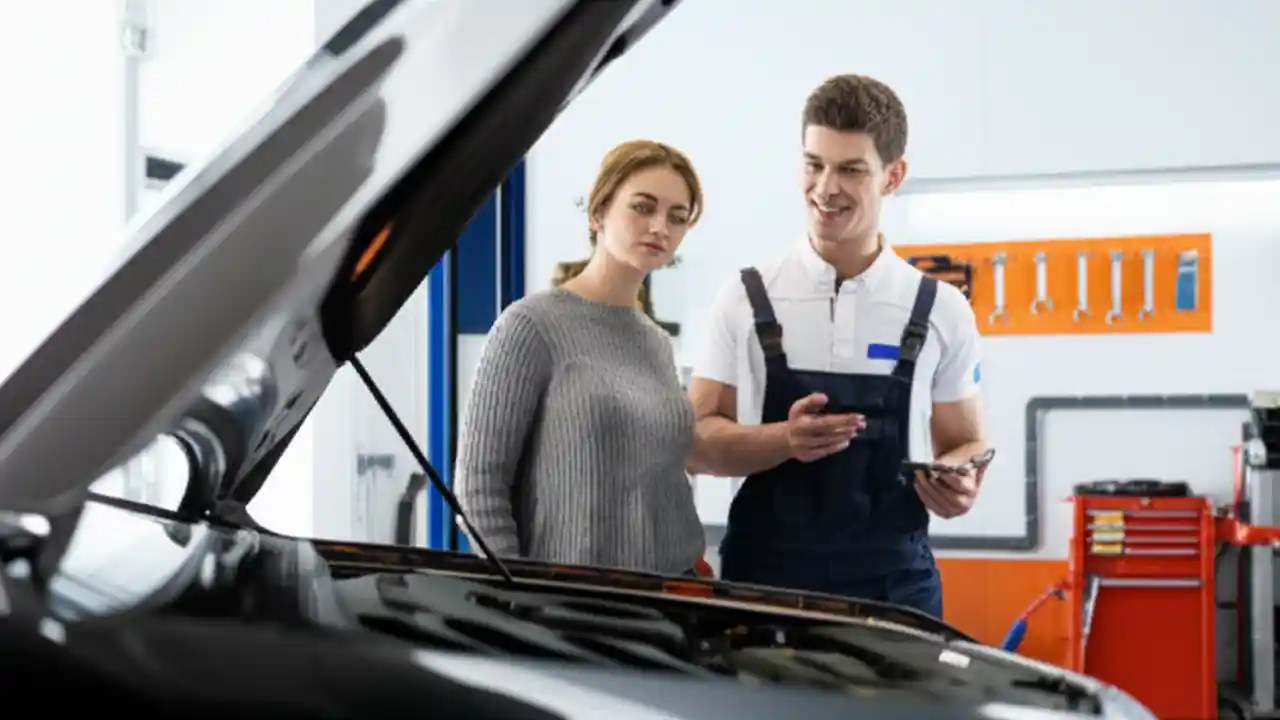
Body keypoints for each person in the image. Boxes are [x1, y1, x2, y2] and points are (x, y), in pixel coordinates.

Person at [685, 74, 988, 618]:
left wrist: (961, 482)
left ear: (893, 176)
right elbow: (696, 444)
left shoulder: (941, 310)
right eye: (813, 164)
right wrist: (784, 440)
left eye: (850, 169)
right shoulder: (746, 297)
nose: (825, 188)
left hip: (894, 584)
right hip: (767, 582)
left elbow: (964, 442)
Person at [454, 139, 707, 577]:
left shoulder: (656, 343)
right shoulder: (531, 325)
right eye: (643, 208)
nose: (660, 227)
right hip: (569, 606)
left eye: (677, 217)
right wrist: (520, 593)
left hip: (669, 598)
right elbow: (479, 484)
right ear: (598, 212)